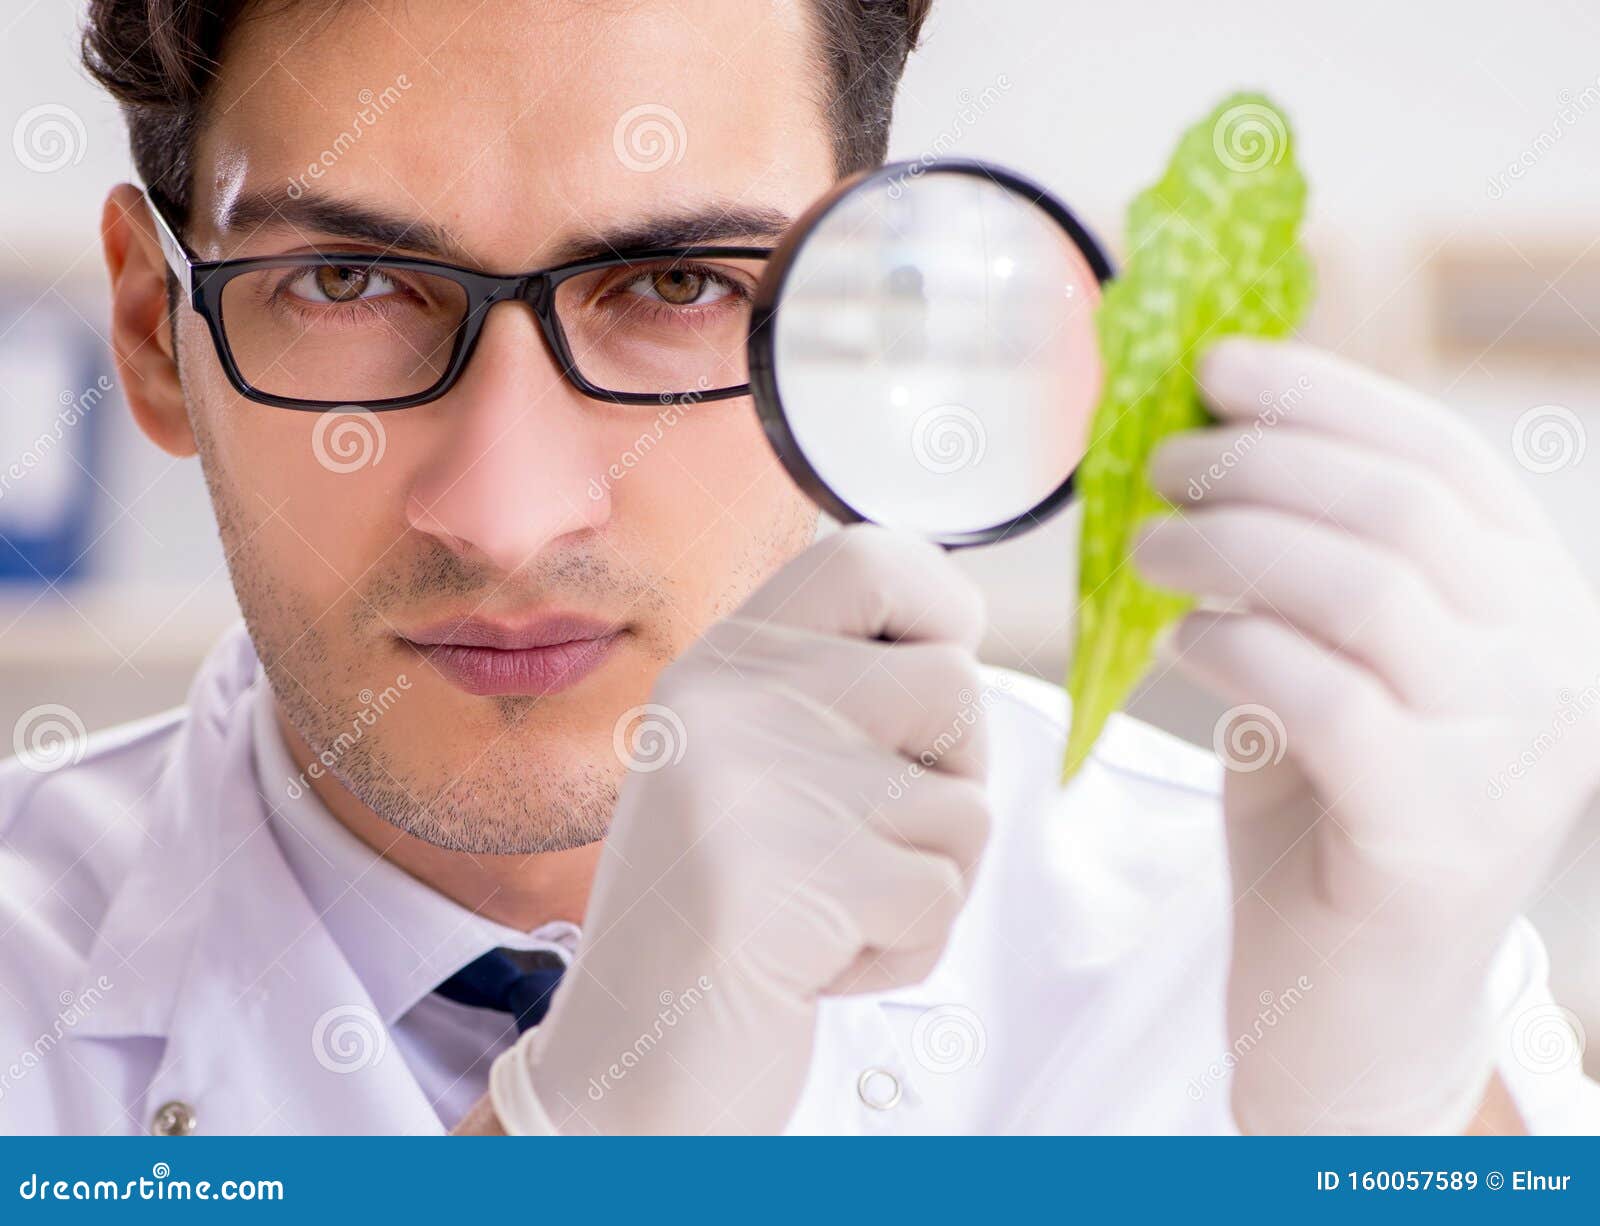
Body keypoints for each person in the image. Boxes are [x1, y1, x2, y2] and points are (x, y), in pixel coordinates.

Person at [1, 0, 1597, 1137]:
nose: (507, 512)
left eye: (678, 280)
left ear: (868, 308)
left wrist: (1401, 1132)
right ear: (156, 331)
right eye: (348, 280)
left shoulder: (1261, 943)